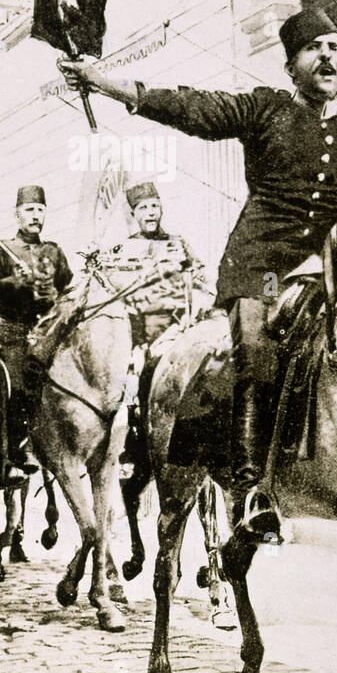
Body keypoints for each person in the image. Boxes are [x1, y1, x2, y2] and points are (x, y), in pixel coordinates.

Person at [59, 6, 337, 540]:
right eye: (313, 48)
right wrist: (106, 83)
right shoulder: (265, 110)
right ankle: (253, 489)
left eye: (335, 48)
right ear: (290, 68)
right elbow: (192, 107)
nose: (327, 56)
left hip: (324, 276)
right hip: (263, 271)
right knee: (259, 350)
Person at [108, 181, 212, 477]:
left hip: (182, 326)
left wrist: (202, 294)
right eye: (143, 208)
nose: (151, 212)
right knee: (138, 380)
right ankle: (135, 446)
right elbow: (115, 288)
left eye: (155, 206)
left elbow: (203, 277)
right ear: (134, 214)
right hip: (143, 333)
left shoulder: (179, 243)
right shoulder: (123, 248)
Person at [0, 185, 73, 484]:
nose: (35, 216)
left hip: (49, 332)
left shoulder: (54, 251)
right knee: (16, 385)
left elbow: (68, 288)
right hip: (15, 332)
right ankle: (16, 450)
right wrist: (14, 281)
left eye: (40, 210)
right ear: (17, 214)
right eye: (29, 210)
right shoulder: (2, 248)